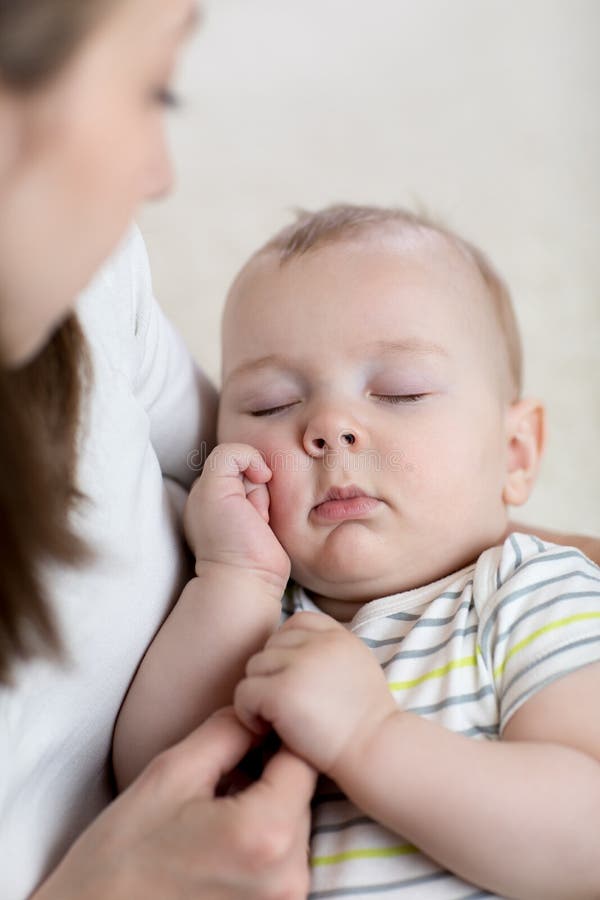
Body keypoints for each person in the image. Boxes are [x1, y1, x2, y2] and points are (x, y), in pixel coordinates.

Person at [114, 205, 600, 899]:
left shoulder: (534, 590)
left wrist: (371, 739)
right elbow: (147, 787)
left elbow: (587, 836)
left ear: (516, 453)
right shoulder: (258, 616)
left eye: (400, 393)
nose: (330, 426)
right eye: (271, 404)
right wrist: (236, 575)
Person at [0, 2, 316, 898]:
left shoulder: (84, 284)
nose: (161, 175)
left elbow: (269, 457)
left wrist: (508, 540)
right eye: (152, 92)